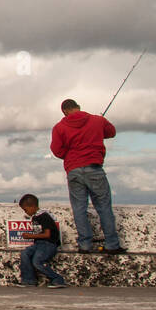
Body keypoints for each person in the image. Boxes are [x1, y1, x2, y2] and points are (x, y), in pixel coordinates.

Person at [50, 99, 124, 253]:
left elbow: (57, 150)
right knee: (104, 207)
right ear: (78, 107)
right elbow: (111, 132)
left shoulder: (59, 127)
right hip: (94, 168)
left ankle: (85, 245)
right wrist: (99, 127)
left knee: (79, 208)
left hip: (74, 170)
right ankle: (112, 244)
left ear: (64, 111)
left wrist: (70, 156)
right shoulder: (97, 120)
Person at [17, 193, 67, 288]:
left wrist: (30, 236)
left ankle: (57, 279)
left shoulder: (44, 216)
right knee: (25, 254)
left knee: (37, 261)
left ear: (32, 206)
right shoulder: (35, 217)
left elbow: (47, 234)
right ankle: (29, 280)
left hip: (48, 244)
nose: (26, 212)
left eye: (25, 209)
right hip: (38, 244)